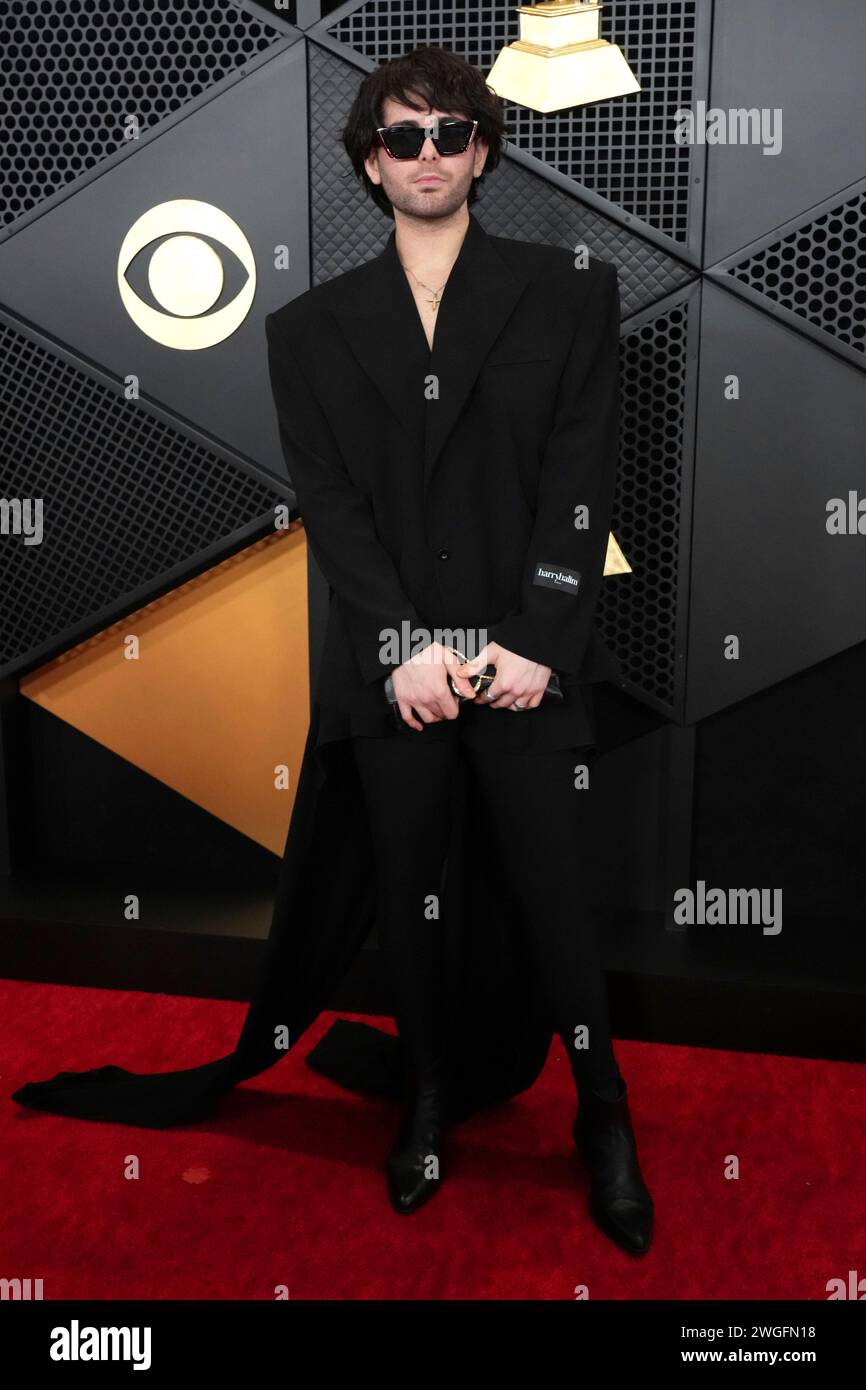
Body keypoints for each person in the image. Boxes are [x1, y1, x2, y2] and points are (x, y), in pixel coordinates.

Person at [12, 44, 653, 1256]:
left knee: (553, 897)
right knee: (405, 898)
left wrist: (534, 638)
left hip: (525, 660)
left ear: (482, 150)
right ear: (371, 162)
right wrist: (402, 647)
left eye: (449, 133)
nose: (427, 155)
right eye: (402, 137)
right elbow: (336, 511)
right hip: (390, 668)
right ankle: (423, 1102)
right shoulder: (307, 331)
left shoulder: (569, 292)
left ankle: (602, 1113)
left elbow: (580, 480)